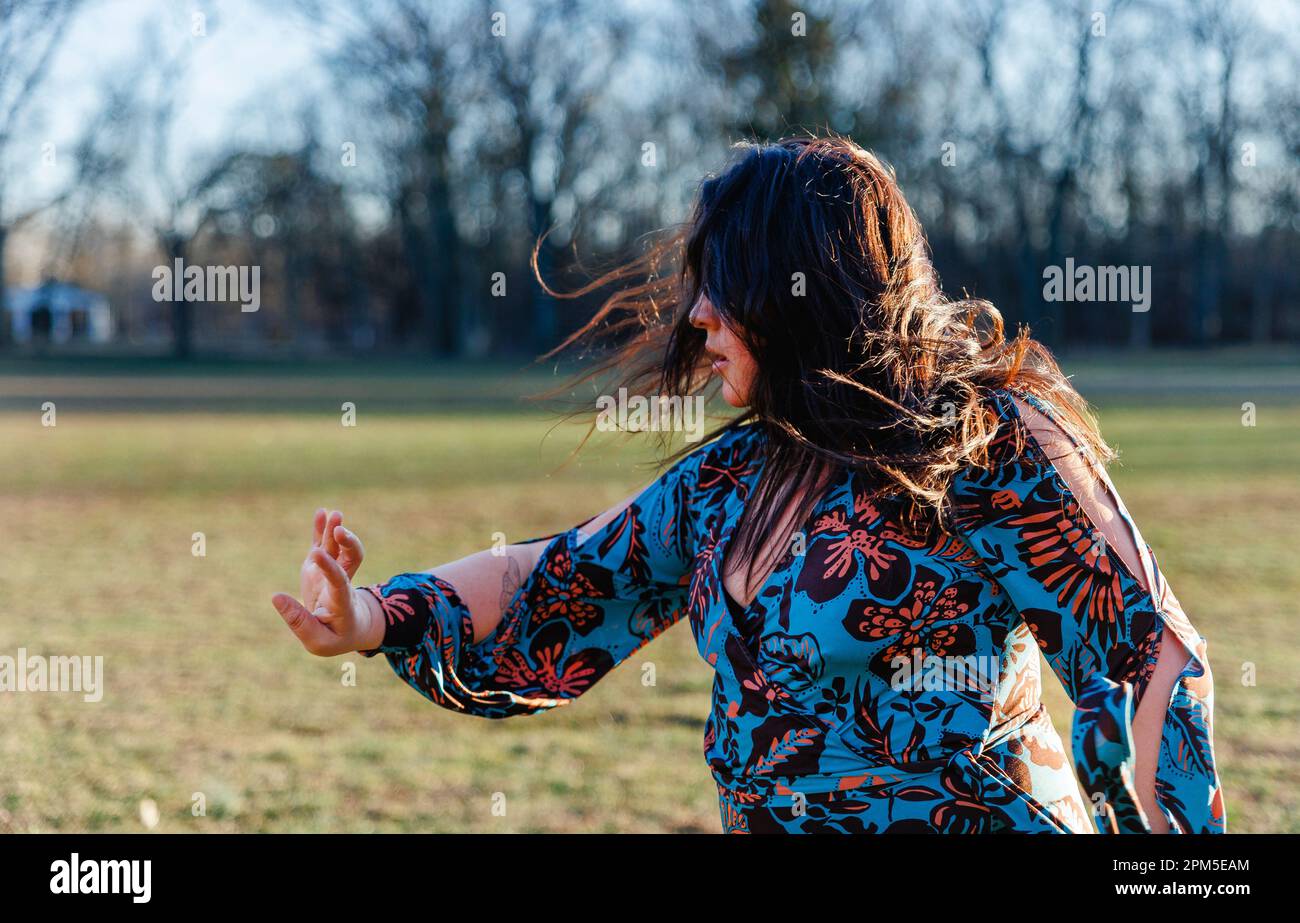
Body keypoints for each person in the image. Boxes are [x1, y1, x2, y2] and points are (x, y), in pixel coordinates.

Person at [271, 136, 1224, 834]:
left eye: (723, 285)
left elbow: (1153, 659)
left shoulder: (984, 443)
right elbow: (558, 582)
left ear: (800, 289)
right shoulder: (729, 482)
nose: (698, 314)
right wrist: (374, 615)